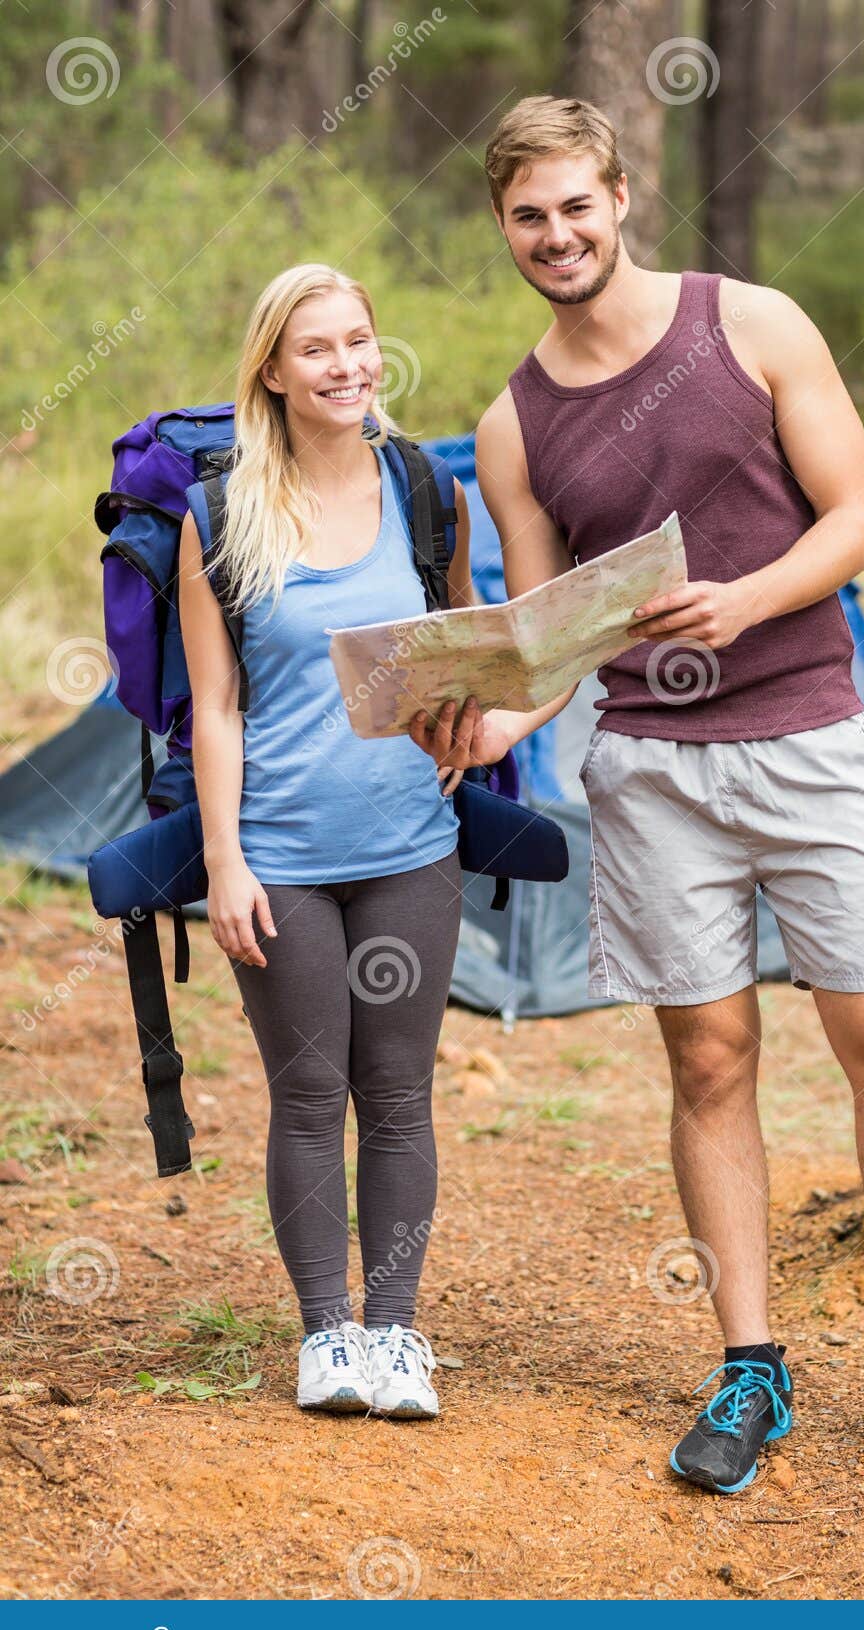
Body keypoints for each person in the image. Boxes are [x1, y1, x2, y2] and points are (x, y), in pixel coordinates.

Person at [422, 95, 864, 1496]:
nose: (555, 234)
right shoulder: (511, 425)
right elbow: (554, 637)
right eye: (526, 216)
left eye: (574, 205)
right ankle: (749, 1364)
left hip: (809, 739)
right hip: (647, 775)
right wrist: (494, 720)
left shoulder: (752, 324)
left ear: (619, 197)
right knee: (709, 1062)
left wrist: (745, 600)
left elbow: (856, 519)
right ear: (502, 227)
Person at [179, 262, 545, 1418]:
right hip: (281, 859)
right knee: (306, 1093)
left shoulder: (425, 489)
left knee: (396, 1092)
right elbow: (215, 707)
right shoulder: (220, 515)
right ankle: (324, 1336)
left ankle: (392, 1332)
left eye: (357, 340)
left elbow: (460, 642)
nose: (345, 366)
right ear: (272, 373)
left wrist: (471, 719)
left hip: (409, 848)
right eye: (316, 348)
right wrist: (225, 861)